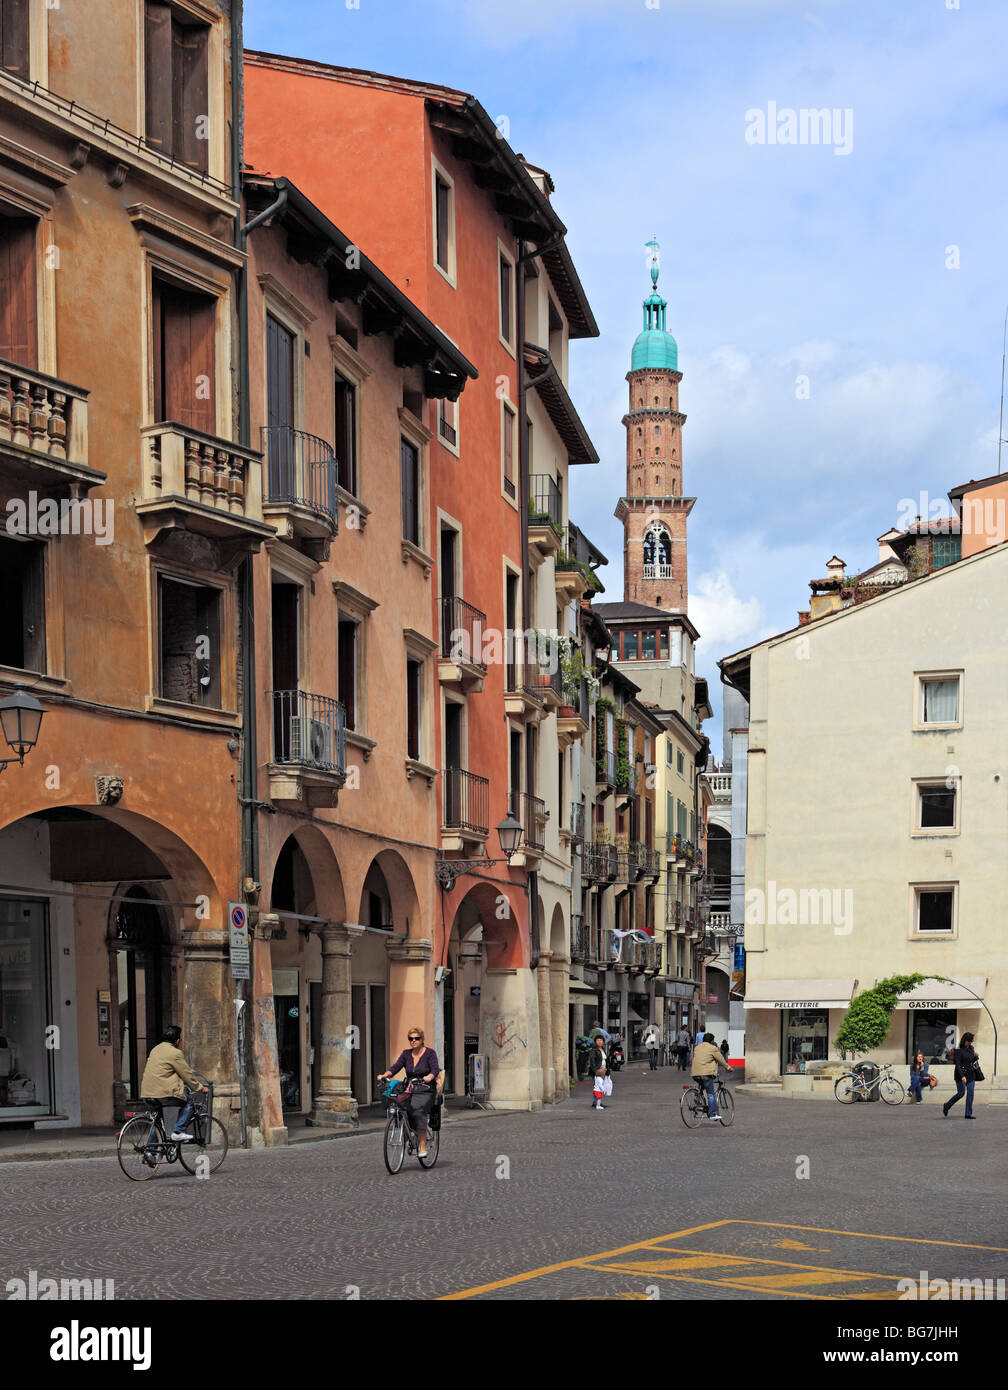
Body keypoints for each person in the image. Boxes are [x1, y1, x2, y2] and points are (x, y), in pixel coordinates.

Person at [378, 1027, 441, 1157]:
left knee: (418, 1109)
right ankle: (407, 1132)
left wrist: (429, 1076)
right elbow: (395, 1067)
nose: (413, 1041)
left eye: (416, 1038)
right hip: (410, 1087)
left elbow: (435, 1069)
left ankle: (422, 1144)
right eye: (411, 1039)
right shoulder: (406, 1054)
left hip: (425, 1088)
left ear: (422, 1039)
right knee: (399, 1106)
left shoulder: (430, 1053)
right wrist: (385, 1075)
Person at [139, 1025, 207, 1142]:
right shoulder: (175, 1053)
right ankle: (178, 1131)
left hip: (147, 1093)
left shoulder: (155, 1049)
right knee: (189, 1102)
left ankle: (151, 1151)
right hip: (165, 1094)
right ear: (177, 1040)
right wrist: (200, 1088)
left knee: (159, 1122)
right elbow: (186, 1074)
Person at [692, 1031, 733, 1122]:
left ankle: (698, 1097)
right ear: (712, 1041)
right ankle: (713, 1114)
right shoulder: (713, 1048)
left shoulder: (697, 1048)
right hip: (706, 1073)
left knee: (702, 1085)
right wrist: (728, 1067)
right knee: (711, 1093)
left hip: (695, 1073)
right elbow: (721, 1059)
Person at [943, 1032, 979, 1120]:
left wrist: (976, 1057)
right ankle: (947, 1105)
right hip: (960, 1074)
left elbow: (971, 1060)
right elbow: (957, 1064)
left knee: (970, 1093)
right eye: (968, 1041)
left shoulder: (971, 1048)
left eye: (971, 1042)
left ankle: (968, 1114)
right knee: (961, 1093)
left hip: (970, 1074)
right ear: (964, 1040)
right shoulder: (958, 1050)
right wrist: (962, 1076)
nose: (970, 1043)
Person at [588, 1033, 607, 1108]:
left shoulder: (603, 1050)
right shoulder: (594, 1050)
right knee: (598, 1087)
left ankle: (596, 1101)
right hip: (597, 1071)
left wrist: (607, 1070)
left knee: (599, 1086)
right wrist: (595, 1071)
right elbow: (592, 1061)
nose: (599, 1042)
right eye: (597, 1040)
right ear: (595, 1042)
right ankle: (596, 1102)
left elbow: (606, 1060)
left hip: (603, 1070)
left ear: (603, 1042)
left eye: (601, 1040)